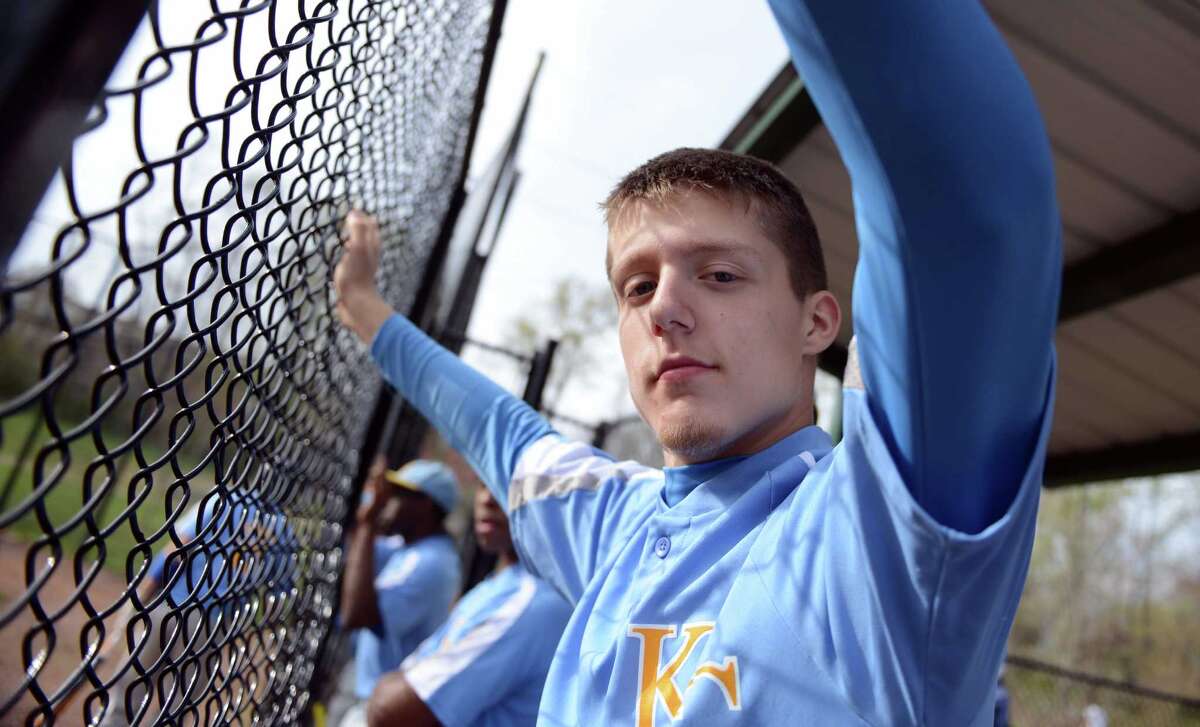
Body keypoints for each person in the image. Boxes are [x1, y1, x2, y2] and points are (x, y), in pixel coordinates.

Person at [333, 0, 1060, 723]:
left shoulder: (869, 544)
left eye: (720, 275)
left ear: (817, 323)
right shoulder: (614, 521)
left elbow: (968, 211)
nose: (664, 308)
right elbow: (496, 425)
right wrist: (367, 309)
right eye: (638, 285)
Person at [365, 485, 572, 726]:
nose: (487, 498)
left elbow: (389, 712)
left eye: (509, 485)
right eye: (484, 483)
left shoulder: (533, 602)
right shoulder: (508, 582)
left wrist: (388, 687)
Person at [98, 491, 288, 726]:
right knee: (176, 704)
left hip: (170, 604)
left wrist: (143, 594)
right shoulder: (282, 528)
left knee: (130, 686)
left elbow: (177, 548)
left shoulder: (222, 500)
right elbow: (279, 594)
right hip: (213, 624)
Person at [338, 459, 462, 726]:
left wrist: (368, 522)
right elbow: (355, 548)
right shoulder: (410, 548)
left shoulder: (431, 563)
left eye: (396, 495)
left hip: (382, 712)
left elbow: (355, 615)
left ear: (425, 505)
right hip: (371, 698)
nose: (385, 502)